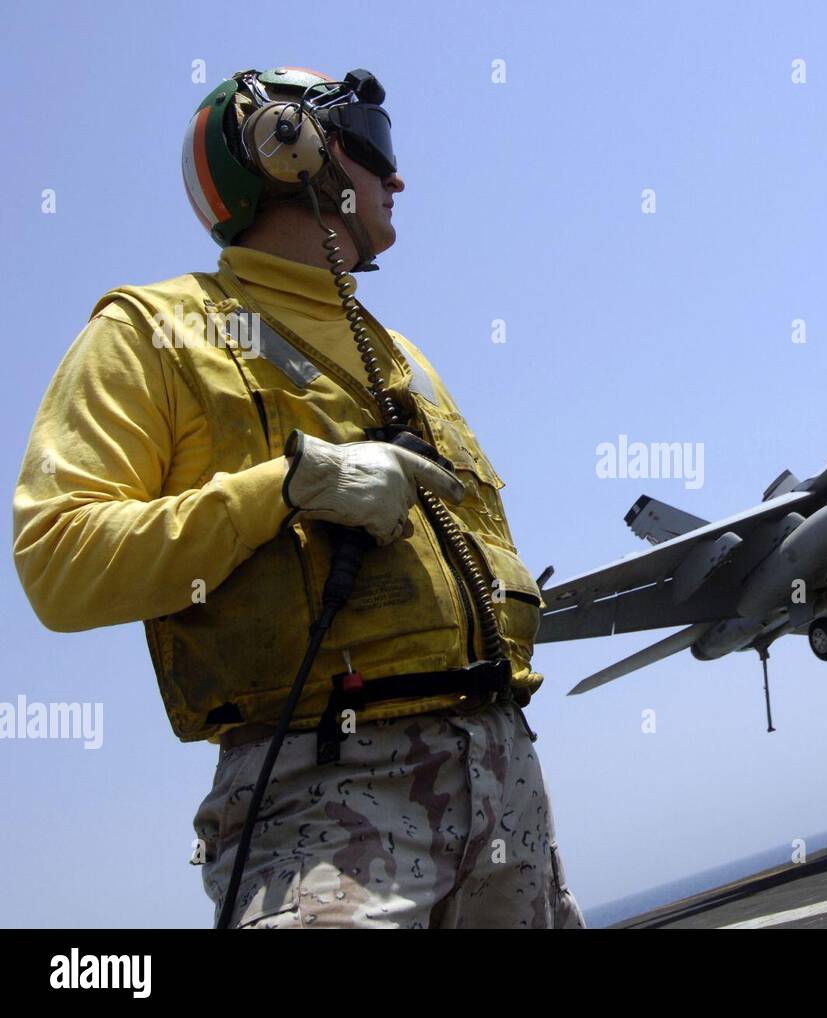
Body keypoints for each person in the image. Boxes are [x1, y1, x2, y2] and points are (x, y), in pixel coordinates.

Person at [12, 66, 584, 929]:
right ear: (290, 145)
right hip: (328, 800)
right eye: (375, 146)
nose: (398, 178)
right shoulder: (151, 333)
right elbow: (59, 563)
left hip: (509, 789)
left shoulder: (404, 357)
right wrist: (286, 486)